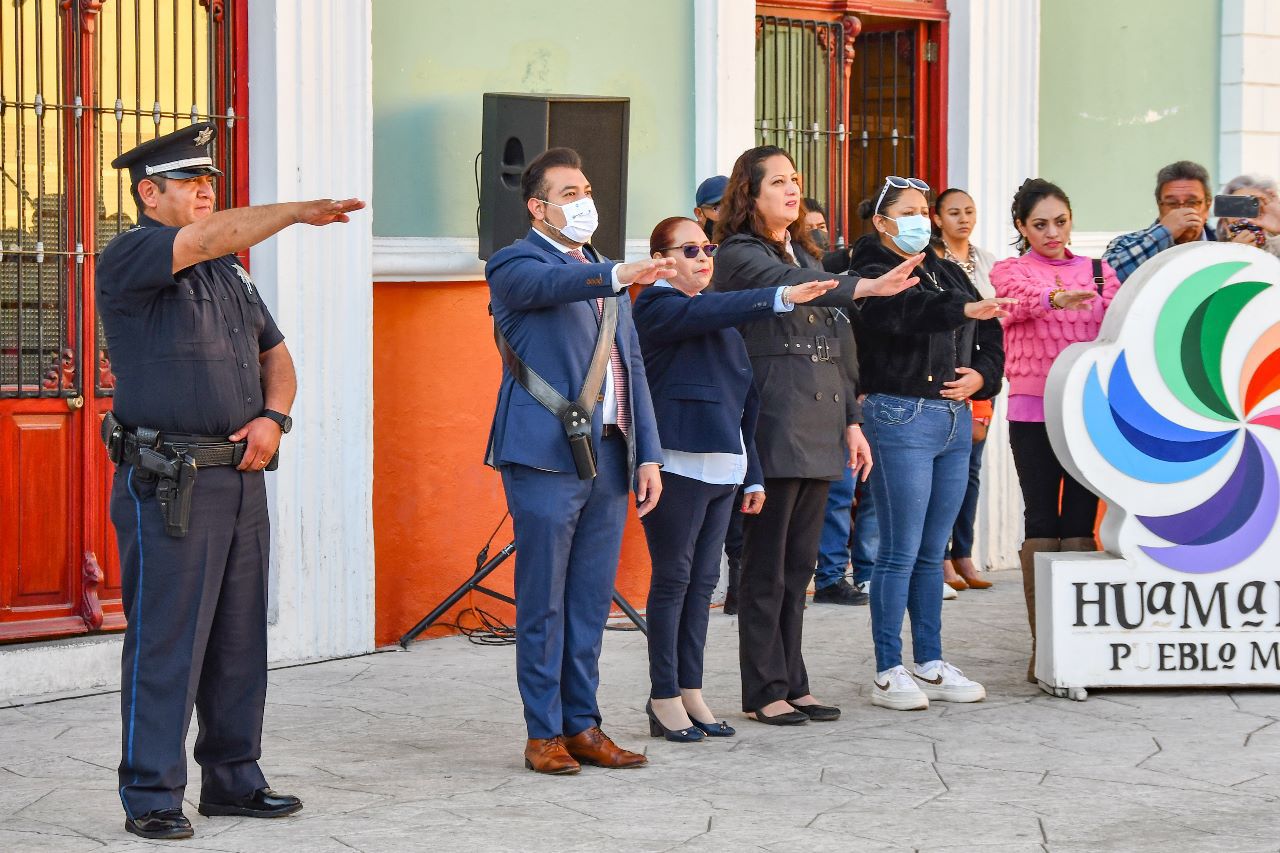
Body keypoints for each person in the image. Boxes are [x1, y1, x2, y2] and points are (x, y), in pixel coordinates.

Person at [97, 122, 364, 840]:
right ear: (149, 193)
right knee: (167, 641)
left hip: (240, 477)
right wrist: (296, 211)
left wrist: (275, 415)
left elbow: (277, 356)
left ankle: (233, 778)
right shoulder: (134, 254)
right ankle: (151, 791)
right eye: (189, 182)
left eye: (208, 179)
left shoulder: (231, 273)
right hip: (170, 481)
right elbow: (207, 238)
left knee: (239, 640)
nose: (206, 188)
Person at [712, 145, 926, 725]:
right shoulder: (738, 254)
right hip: (773, 422)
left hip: (820, 421)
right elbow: (795, 287)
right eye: (777, 181)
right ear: (749, 194)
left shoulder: (804, 251)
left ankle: (794, 681)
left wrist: (852, 423)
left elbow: (840, 345)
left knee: (799, 566)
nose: (791, 189)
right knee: (764, 566)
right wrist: (867, 287)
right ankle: (763, 690)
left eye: (795, 180)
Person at [485, 147, 675, 775]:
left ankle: (582, 723)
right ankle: (543, 732)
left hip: (612, 454)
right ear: (538, 206)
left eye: (587, 188)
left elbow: (631, 367)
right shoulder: (516, 261)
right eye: (569, 192)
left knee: (591, 599)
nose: (584, 200)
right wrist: (619, 274)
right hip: (544, 454)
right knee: (543, 598)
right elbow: (546, 288)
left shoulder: (599, 266)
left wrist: (647, 453)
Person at [634, 216, 836, 741]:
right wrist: (780, 298)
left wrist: (753, 476)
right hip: (676, 464)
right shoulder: (656, 305)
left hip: (724, 467)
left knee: (703, 585)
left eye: (709, 248)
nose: (705, 257)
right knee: (673, 579)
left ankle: (691, 691)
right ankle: (663, 695)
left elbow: (747, 399)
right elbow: (706, 311)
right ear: (663, 260)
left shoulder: (714, 312)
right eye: (691, 249)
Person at [850, 176, 1009, 711]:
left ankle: (931, 659)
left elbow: (990, 330)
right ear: (882, 222)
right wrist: (963, 312)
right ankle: (887, 668)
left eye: (925, 210)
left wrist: (981, 379)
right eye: (910, 211)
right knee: (897, 550)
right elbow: (903, 315)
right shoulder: (868, 270)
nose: (923, 219)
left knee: (931, 549)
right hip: (899, 415)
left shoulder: (942, 268)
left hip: (953, 418)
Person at [990, 178, 1121, 683]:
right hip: (1031, 411)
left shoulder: (1098, 270)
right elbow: (1017, 300)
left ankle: (1076, 643)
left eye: (1060, 222)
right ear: (1021, 227)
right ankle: (1044, 646)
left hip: (1087, 411)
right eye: (1039, 224)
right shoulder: (1010, 269)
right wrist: (1055, 298)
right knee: (1041, 516)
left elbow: (1115, 321)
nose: (1052, 232)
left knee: (1081, 519)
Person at [931, 188, 999, 592]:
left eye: (969, 211)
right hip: (947, 371)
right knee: (945, 471)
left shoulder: (988, 261)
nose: (963, 219)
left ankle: (964, 553)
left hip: (981, 373)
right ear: (937, 219)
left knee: (970, 471)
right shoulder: (937, 262)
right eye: (953, 212)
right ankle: (939, 558)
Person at [1104, 160, 1215, 282]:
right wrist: (1163, 233)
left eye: (1192, 202)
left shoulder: (1222, 244)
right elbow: (1103, 279)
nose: (1181, 210)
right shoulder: (1124, 243)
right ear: (1159, 205)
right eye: (1172, 203)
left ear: (1207, 207)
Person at [1215, 174, 1280, 257]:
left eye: (1252, 206)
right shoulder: (1213, 254)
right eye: (1237, 207)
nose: (1244, 218)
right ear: (1224, 222)